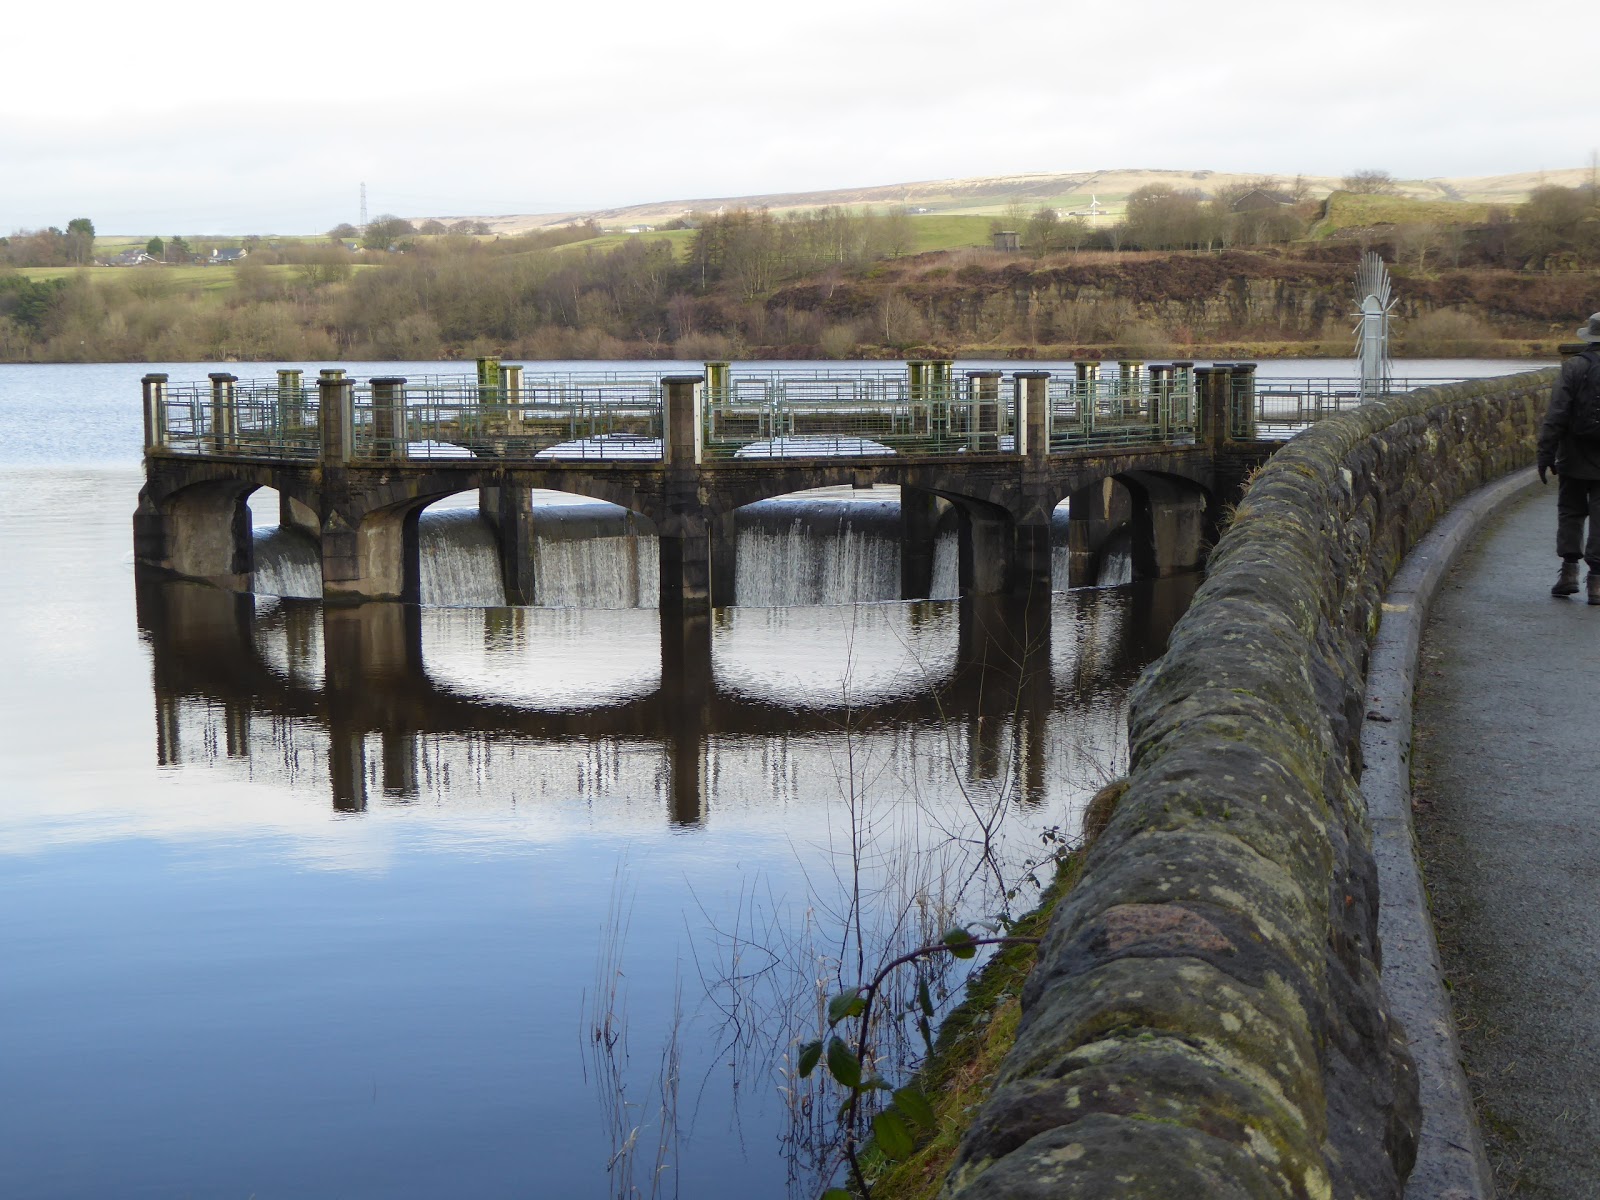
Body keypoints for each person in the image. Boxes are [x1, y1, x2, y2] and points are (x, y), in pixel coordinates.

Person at [1538, 313, 1600, 602]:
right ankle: (1597, 584)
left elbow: (1557, 413)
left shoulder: (1573, 367)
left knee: (1571, 511)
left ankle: (1569, 573)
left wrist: (1545, 452)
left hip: (1574, 453)